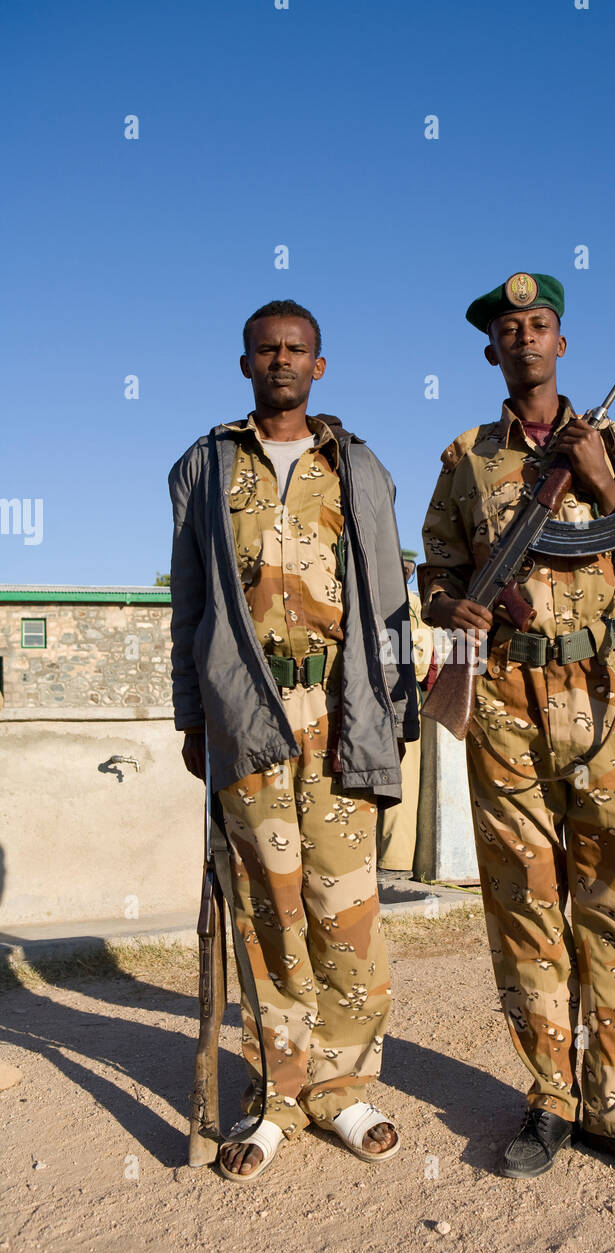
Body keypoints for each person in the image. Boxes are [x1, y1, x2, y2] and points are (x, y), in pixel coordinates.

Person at [418, 273, 615, 1184]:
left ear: (562, 344)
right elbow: (435, 576)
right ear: (491, 349)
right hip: (504, 705)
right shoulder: (464, 457)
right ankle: (550, 1100)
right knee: (527, 908)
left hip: (610, 701)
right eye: (508, 328)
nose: (525, 337)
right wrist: (463, 606)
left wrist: (608, 483)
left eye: (540, 324)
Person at [169, 299, 418, 1181]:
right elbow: (189, 605)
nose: (281, 359)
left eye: (297, 348)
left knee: (346, 913)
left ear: (320, 366)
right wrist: (190, 714)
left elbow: (390, 596)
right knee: (267, 910)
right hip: (248, 714)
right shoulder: (204, 466)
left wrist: (396, 712)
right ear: (245, 365)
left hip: (341, 713)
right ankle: (277, 1093)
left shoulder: (357, 467)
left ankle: (339, 1089)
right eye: (266, 348)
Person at [377, 550, 434, 879]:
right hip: (390, 697)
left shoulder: (408, 603)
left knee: (399, 779)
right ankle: (390, 859)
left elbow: (420, 655)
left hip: (395, 696)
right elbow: (420, 654)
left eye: (408, 570)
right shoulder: (405, 604)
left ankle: (394, 859)